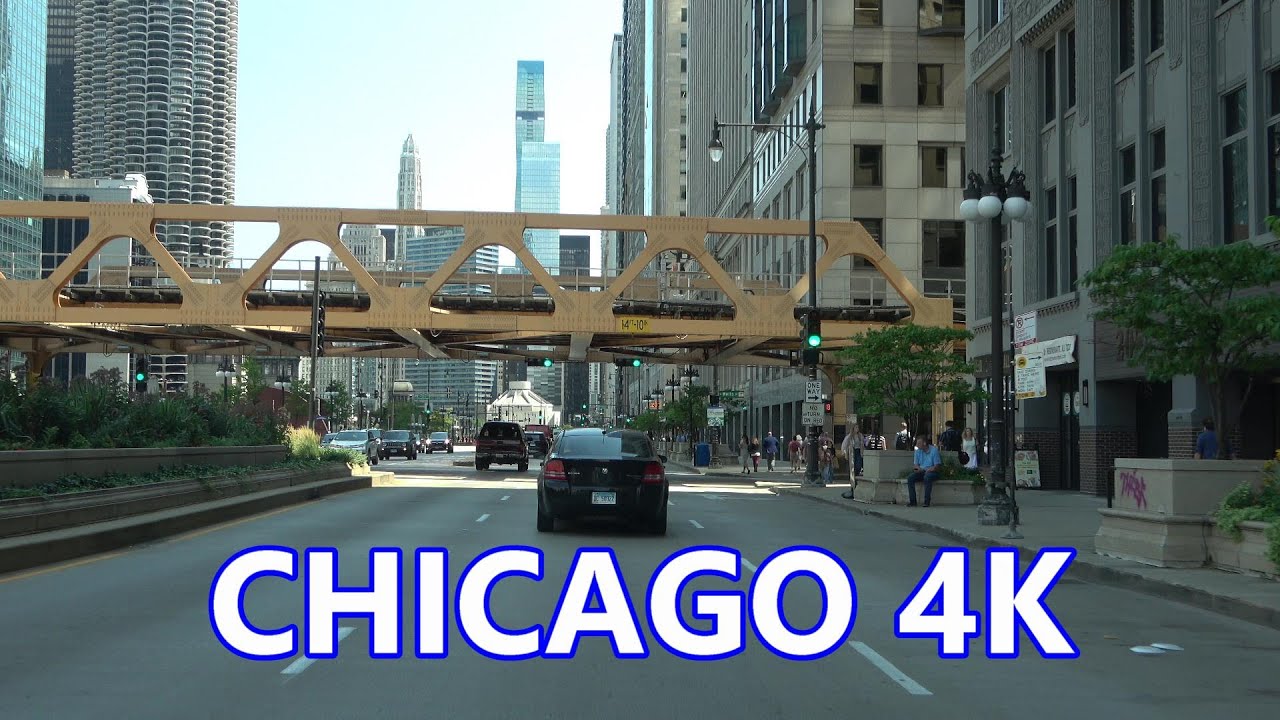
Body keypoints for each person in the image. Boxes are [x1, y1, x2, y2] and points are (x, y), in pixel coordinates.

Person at [906, 435, 942, 507]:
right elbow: (916, 464)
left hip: (932, 472)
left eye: (919, 443)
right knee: (910, 478)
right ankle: (913, 502)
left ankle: (926, 501)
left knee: (927, 477)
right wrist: (917, 469)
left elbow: (937, 466)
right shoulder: (917, 451)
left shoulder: (934, 450)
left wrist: (929, 469)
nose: (917, 445)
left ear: (924, 443)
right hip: (921, 471)